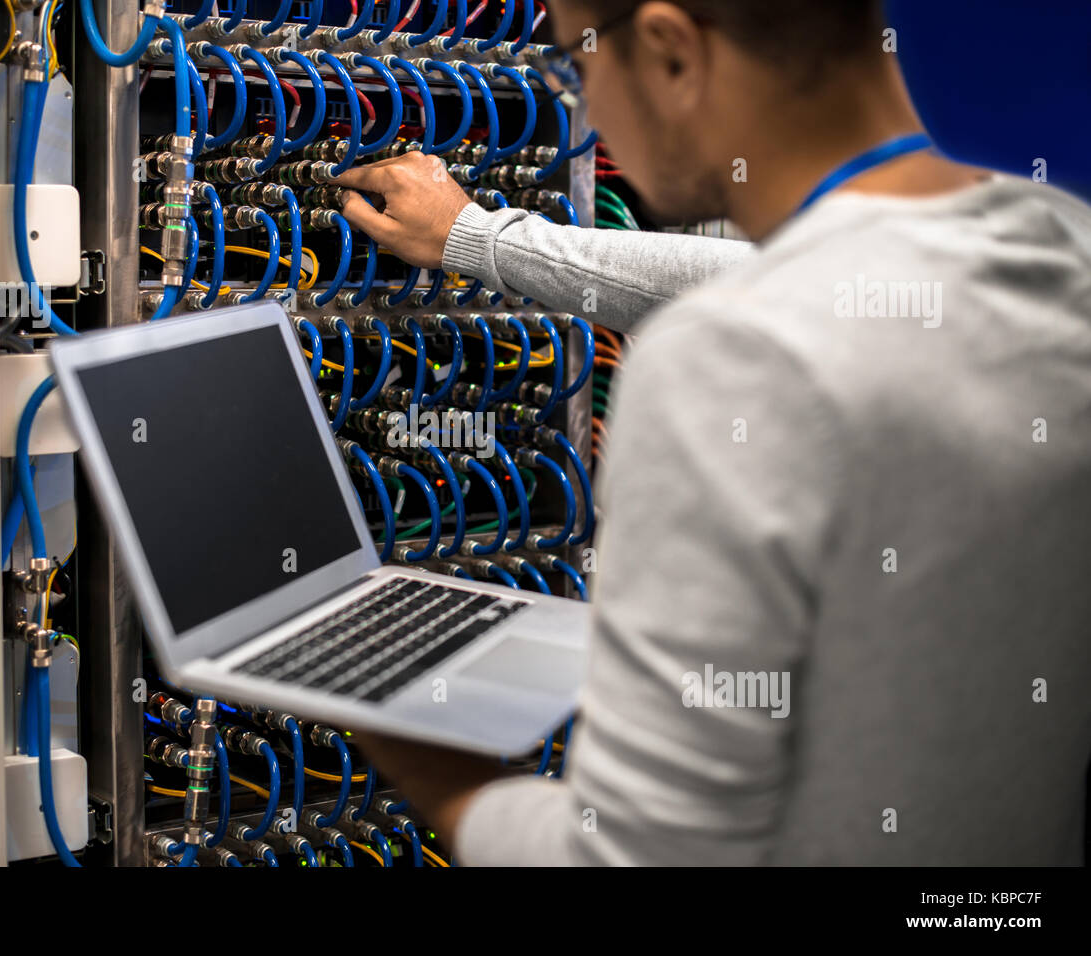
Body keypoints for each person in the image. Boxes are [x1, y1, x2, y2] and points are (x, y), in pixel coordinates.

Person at [334, 0, 1091, 865]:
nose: (590, 107)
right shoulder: (1060, 246)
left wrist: (431, 764)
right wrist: (479, 239)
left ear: (670, 51)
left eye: (582, 62)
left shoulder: (729, 361)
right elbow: (796, 282)